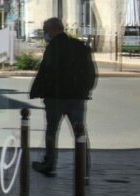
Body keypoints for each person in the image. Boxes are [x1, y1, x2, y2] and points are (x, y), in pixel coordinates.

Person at [29, 16, 97, 177]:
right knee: (79, 132)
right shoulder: (79, 46)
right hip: (77, 98)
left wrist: (40, 90)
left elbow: (46, 72)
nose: (45, 34)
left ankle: (49, 164)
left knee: (51, 131)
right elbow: (91, 72)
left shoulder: (53, 48)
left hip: (55, 97)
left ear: (53, 30)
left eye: (45, 31)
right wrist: (85, 91)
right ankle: (84, 168)